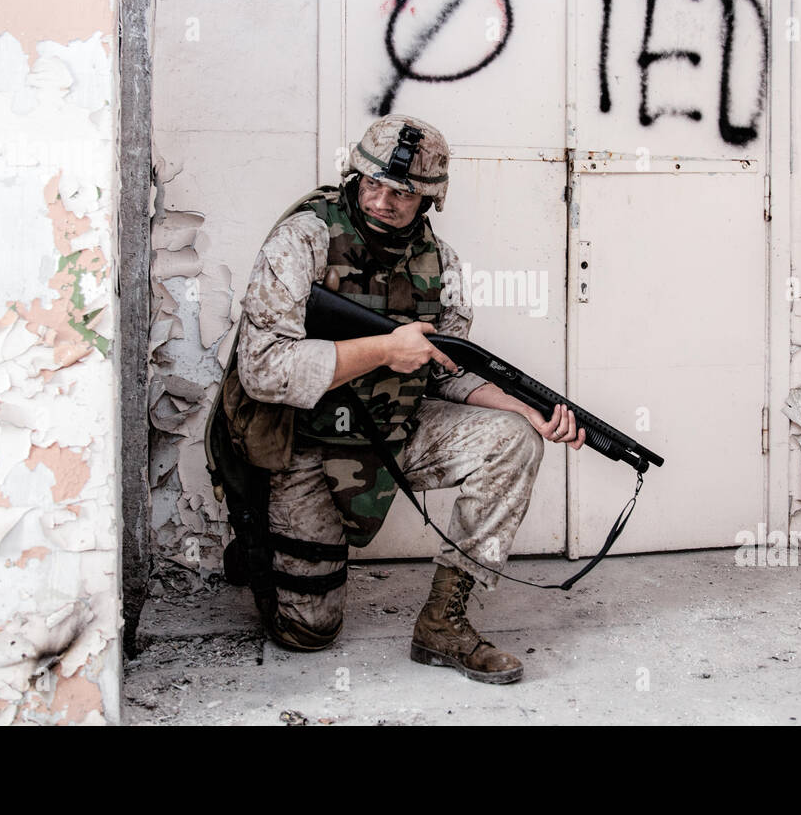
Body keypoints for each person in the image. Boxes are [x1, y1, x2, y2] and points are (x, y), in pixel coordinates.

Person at [216, 113, 585, 684]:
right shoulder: (303, 240)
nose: (383, 201)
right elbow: (263, 370)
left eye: (403, 193)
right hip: (304, 444)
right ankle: (261, 544)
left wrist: (523, 410)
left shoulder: (444, 267)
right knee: (307, 632)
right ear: (355, 174)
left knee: (512, 441)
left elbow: (445, 372)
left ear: (430, 201)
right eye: (373, 183)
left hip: (391, 430)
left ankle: (445, 623)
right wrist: (386, 348)